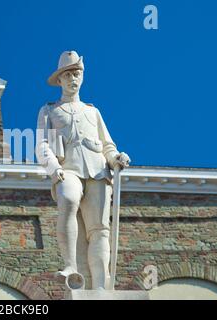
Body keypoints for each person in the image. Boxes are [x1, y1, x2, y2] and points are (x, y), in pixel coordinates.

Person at [36, 51, 130, 289]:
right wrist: (54, 167)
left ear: (82, 77)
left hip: (98, 171)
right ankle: (70, 265)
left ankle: (100, 284)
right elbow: (42, 145)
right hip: (68, 169)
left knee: (99, 229)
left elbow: (107, 144)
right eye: (67, 75)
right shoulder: (49, 110)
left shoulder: (92, 111)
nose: (72, 79)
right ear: (59, 80)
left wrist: (116, 158)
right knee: (67, 198)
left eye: (76, 74)